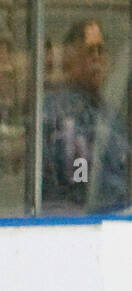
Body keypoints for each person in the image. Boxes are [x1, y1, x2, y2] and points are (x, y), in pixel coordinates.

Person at [42, 18, 130, 214]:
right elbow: (79, 179)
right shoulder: (61, 111)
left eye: (101, 50)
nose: (97, 58)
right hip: (76, 223)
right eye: (90, 51)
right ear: (70, 58)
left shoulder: (108, 113)